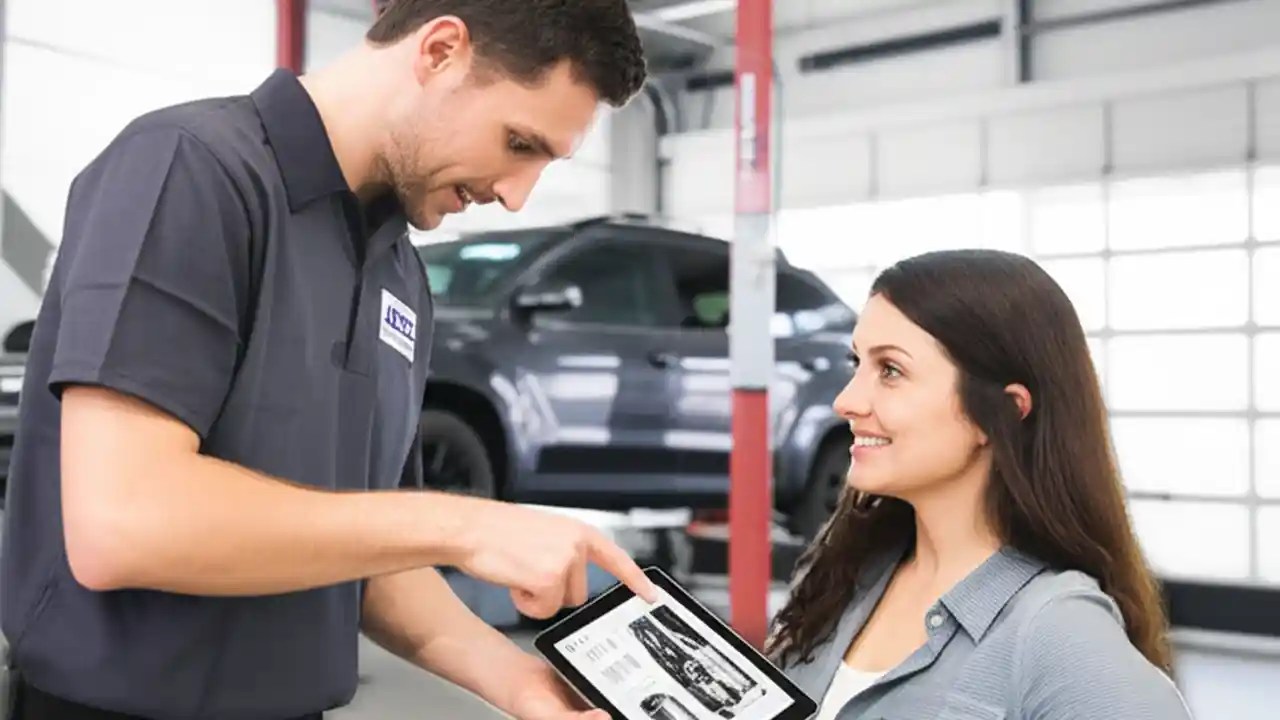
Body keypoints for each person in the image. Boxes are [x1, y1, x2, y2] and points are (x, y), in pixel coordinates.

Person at [0, 1, 654, 718]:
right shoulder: (191, 169)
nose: (515, 195)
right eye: (519, 143)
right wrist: (465, 525)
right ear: (440, 50)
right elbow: (123, 523)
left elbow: (372, 563)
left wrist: (522, 683)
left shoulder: (400, 272)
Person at [766, 250, 1193, 719]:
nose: (846, 401)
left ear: (1004, 411)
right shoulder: (842, 578)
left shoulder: (1057, 633)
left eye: (891, 370)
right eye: (856, 364)